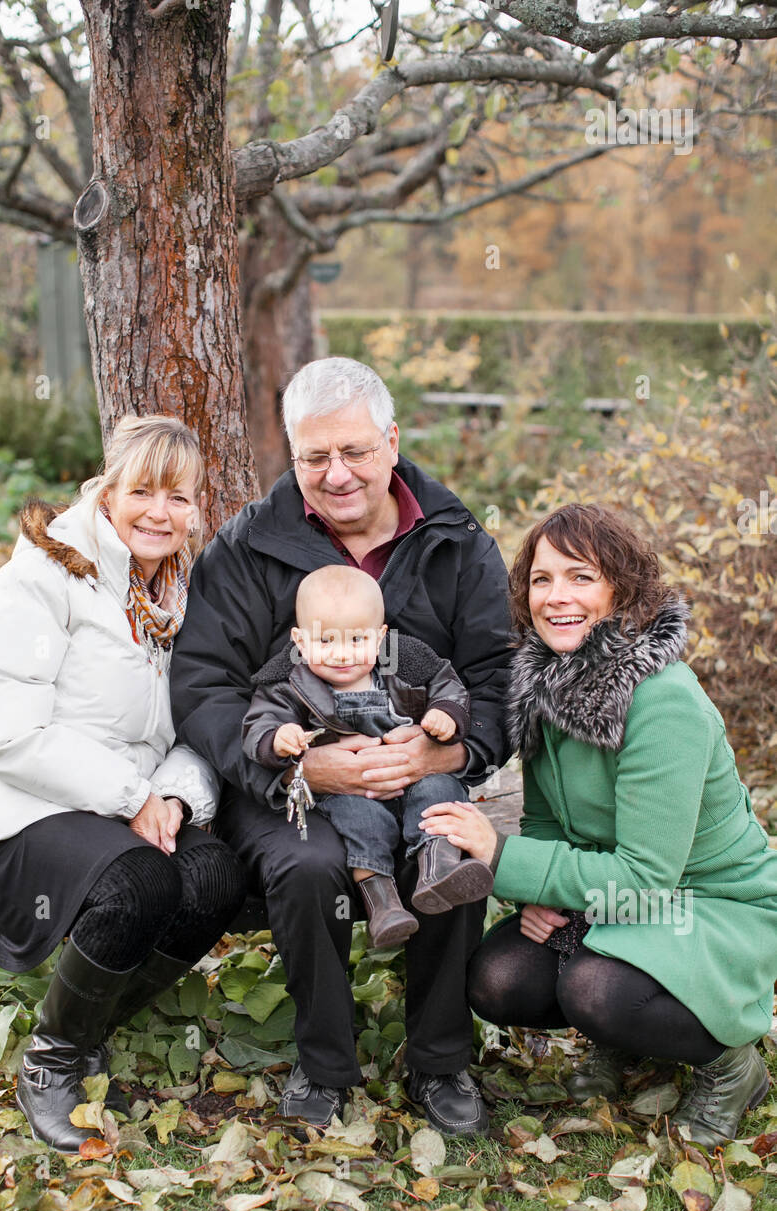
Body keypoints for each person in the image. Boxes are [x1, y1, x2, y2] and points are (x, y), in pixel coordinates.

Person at [170, 356, 512, 1134]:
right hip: (289, 781)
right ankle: (323, 1065)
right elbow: (204, 686)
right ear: (290, 456)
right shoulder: (250, 547)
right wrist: (298, 765)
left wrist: (440, 757)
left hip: (420, 770)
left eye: (354, 450)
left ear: (391, 441)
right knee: (308, 864)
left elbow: (495, 680)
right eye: (315, 456)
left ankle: (439, 1061)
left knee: (452, 842)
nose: (337, 473)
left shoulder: (455, 542)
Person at [0, 415, 247, 1154]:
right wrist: (129, 796)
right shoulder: (47, 576)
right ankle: (51, 1061)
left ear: (198, 507)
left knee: (213, 875)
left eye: (179, 497)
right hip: (17, 794)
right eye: (142, 492)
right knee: (140, 883)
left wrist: (172, 796)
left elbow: (200, 719)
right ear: (108, 492)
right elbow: (3, 732)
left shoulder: (177, 593)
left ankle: (92, 1028)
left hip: (122, 801)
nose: (159, 513)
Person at [420, 503, 777, 1151]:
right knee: (497, 980)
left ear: (621, 591)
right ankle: (626, 1047)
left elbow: (646, 876)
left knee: (593, 989)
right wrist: (538, 894)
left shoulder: (663, 701)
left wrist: (503, 858)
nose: (557, 597)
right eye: (542, 579)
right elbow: (547, 820)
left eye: (581, 577)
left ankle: (731, 1068)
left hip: (705, 906)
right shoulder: (548, 685)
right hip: (615, 899)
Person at [242, 565, 494, 947]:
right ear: (300, 641)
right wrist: (280, 738)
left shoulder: (407, 662)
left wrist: (446, 713)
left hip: (415, 776)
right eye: (325, 641)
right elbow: (258, 724)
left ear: (380, 638)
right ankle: (383, 903)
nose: (342, 655)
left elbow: (449, 684)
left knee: (440, 793)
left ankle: (437, 867)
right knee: (360, 823)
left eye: (357, 640)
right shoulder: (287, 683)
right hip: (351, 792)